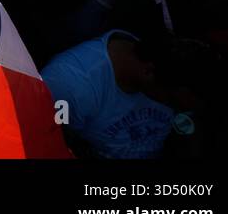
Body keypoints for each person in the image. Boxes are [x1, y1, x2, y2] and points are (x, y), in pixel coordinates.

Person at [41, 30, 215, 158]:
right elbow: (54, 145)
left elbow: (190, 126)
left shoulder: (176, 73)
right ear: (148, 72)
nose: (176, 110)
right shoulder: (71, 86)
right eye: (172, 103)